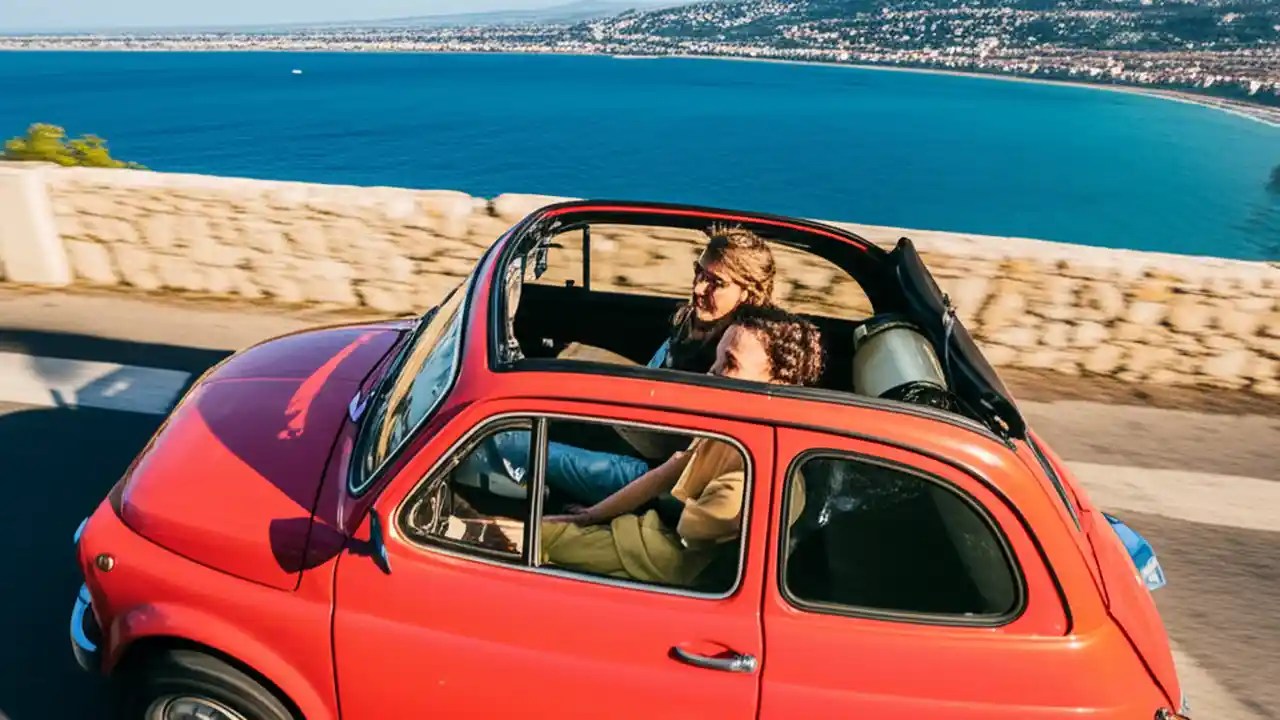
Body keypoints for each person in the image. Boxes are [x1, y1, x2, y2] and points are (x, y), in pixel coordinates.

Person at [484, 223, 780, 506]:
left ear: (748, 294)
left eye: (716, 283)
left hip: (648, 470)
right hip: (627, 426)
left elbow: (685, 453)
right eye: (698, 272)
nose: (698, 288)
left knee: (508, 440)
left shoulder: (735, 357)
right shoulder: (692, 321)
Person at [538, 304, 825, 588]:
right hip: (650, 539)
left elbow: (684, 534)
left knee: (530, 537)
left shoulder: (749, 482)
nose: (711, 373)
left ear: (775, 384)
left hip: (660, 564)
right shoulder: (731, 432)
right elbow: (668, 472)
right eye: (716, 360)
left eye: (729, 363)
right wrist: (592, 516)